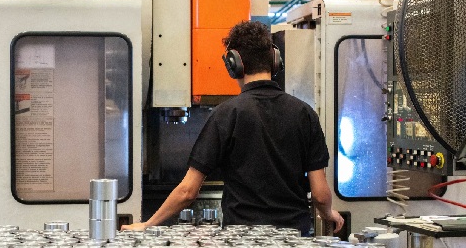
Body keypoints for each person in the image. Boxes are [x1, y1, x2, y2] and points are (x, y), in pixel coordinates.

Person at [121, 20, 344, 235]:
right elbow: (320, 194)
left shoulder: (226, 114)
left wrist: (148, 224)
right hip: (293, 240)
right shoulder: (305, 114)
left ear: (234, 63)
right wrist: (327, 213)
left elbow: (188, 191)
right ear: (275, 60)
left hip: (242, 243)